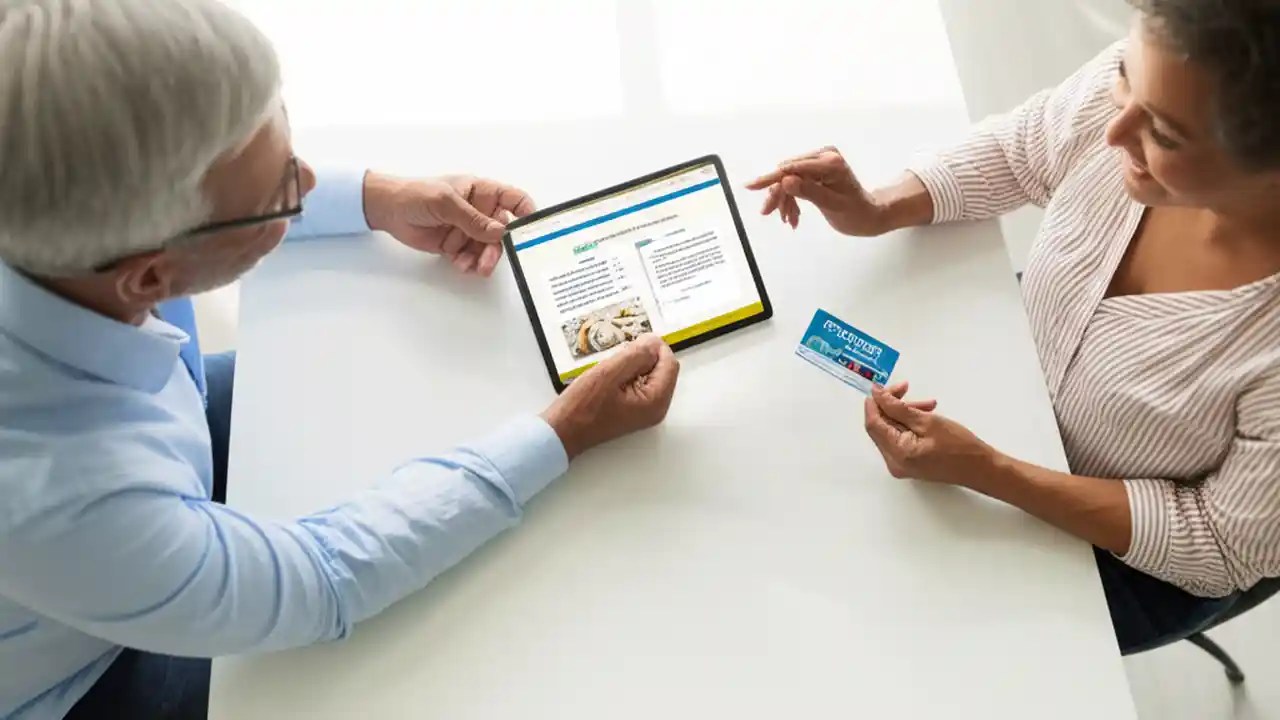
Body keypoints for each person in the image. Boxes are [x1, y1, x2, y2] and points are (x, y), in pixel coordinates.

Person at [0, 1, 680, 718]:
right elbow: (324, 576)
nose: (307, 184)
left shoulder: (64, 227)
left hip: (153, 454)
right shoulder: (65, 501)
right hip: (92, 679)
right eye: (280, 194)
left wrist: (382, 199)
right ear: (147, 279)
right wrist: (565, 433)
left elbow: (213, 203)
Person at [750, 0, 1280, 655]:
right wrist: (879, 206)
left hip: (1118, 557)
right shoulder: (1159, 83)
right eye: (1125, 74)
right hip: (1001, 406)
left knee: (902, 643)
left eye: (1165, 136)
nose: (1113, 130)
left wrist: (991, 470)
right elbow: (1021, 150)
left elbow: (1222, 546)